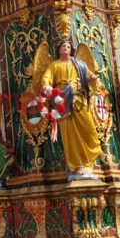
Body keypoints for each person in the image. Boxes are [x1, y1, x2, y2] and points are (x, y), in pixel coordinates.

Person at [40, 41, 103, 180]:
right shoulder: (54, 65)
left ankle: (93, 153)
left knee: (89, 127)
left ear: (71, 50)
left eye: (68, 46)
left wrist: (91, 78)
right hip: (62, 99)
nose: (66, 48)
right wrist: (46, 86)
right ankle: (77, 166)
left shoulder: (78, 63)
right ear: (59, 49)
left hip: (79, 98)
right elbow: (46, 78)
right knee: (71, 134)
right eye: (63, 46)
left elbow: (88, 74)